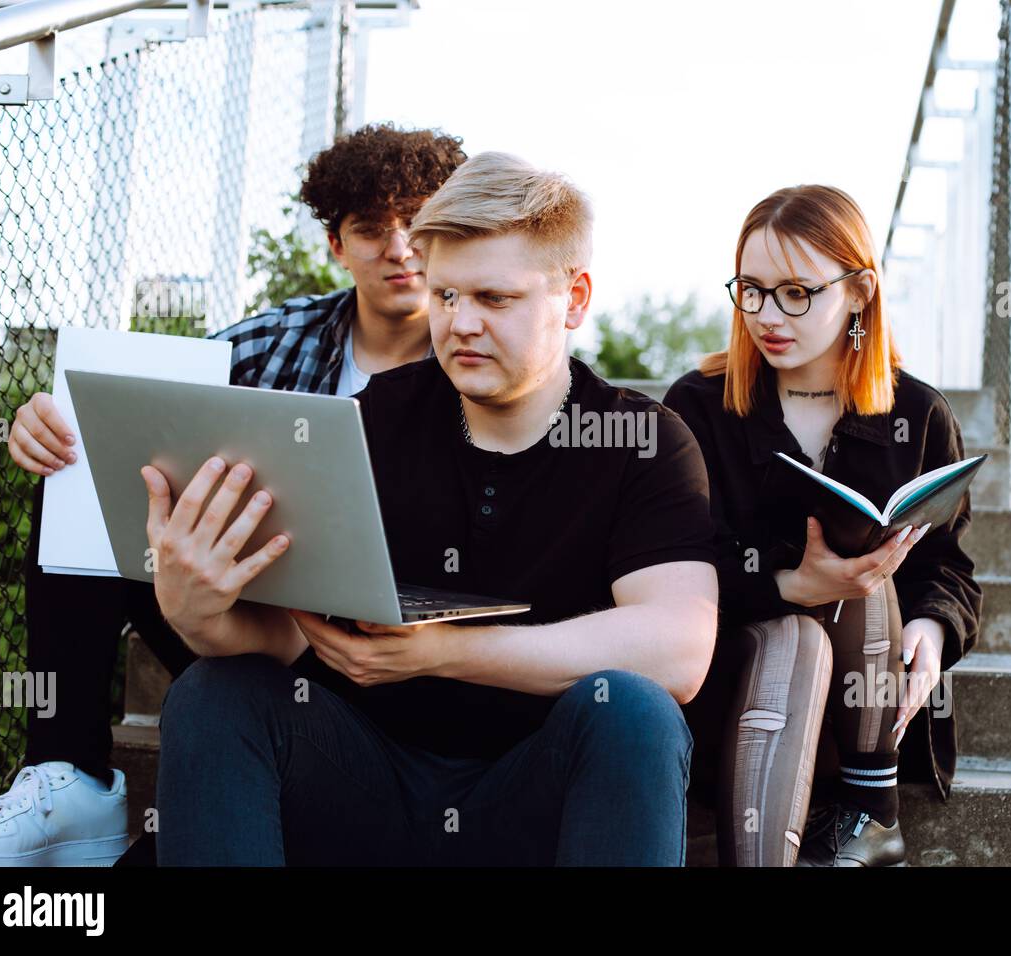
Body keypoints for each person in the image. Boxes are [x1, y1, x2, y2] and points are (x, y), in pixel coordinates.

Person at [142, 151, 720, 866]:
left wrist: (447, 652)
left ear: (573, 299)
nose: (461, 323)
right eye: (445, 297)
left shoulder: (645, 440)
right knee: (215, 694)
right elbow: (289, 641)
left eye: (494, 298)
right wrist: (192, 609)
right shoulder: (373, 419)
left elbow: (678, 648)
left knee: (634, 712)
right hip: (362, 784)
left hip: (532, 803)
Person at [0, 123, 465, 866]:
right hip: (244, 618)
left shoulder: (480, 355)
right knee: (87, 464)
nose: (398, 247)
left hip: (377, 670)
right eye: (369, 229)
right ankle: (71, 776)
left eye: (416, 222)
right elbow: (137, 414)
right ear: (336, 245)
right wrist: (44, 421)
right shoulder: (275, 341)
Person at [664, 184, 982, 867]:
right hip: (730, 690)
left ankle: (866, 801)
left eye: (797, 293)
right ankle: (874, 811)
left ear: (860, 291)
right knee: (795, 638)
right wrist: (787, 583)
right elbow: (675, 562)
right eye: (751, 289)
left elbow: (948, 569)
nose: (768, 315)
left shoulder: (918, 414)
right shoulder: (698, 406)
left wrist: (930, 631)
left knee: (874, 568)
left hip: (866, 693)